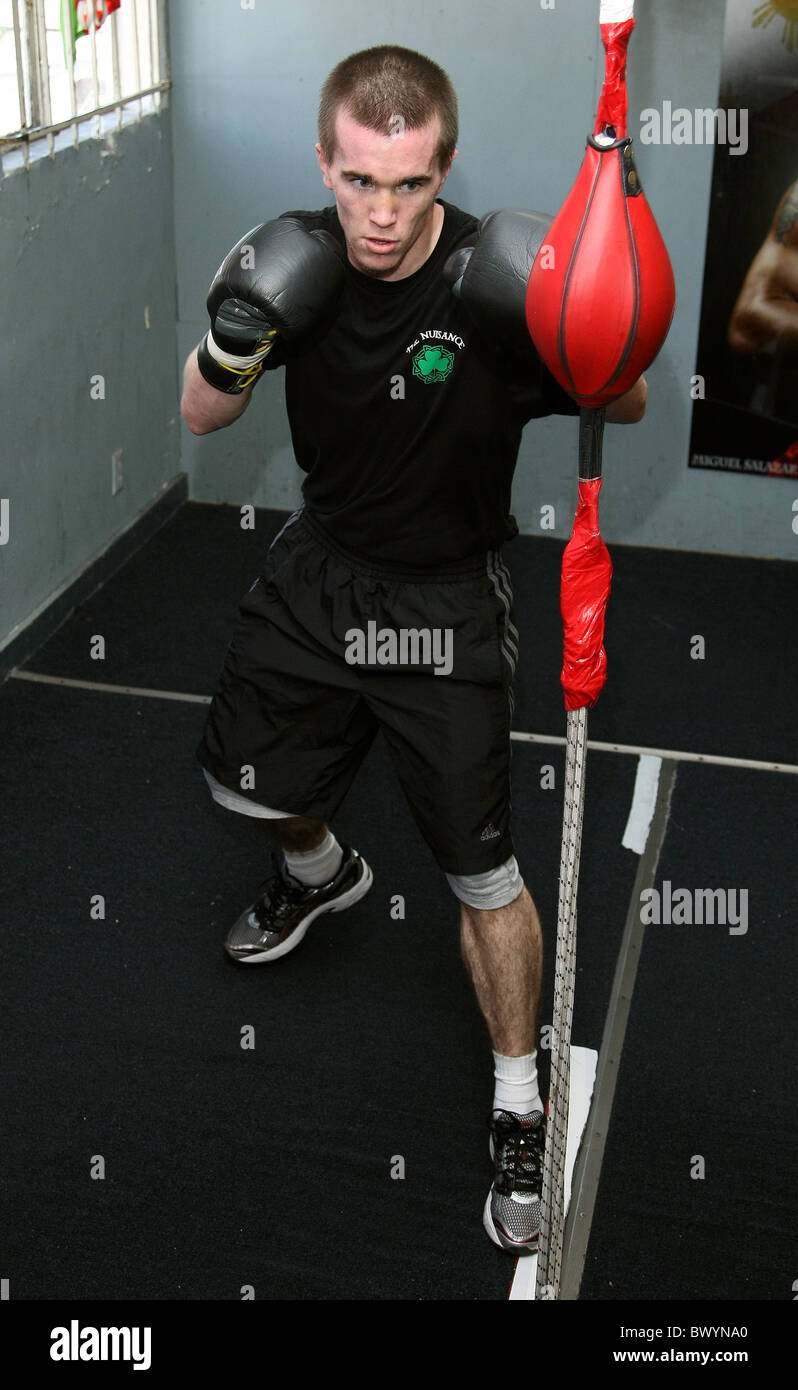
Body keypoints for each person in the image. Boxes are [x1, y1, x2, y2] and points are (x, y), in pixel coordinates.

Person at [180, 45, 646, 1255]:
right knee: (249, 783)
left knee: (483, 877)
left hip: (444, 604)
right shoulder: (294, 259)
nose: (380, 215)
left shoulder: (495, 285)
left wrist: (592, 308)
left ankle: (515, 1097)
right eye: (357, 182)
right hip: (318, 574)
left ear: (444, 166)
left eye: (407, 185)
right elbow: (198, 411)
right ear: (324, 161)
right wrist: (230, 343)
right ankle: (322, 869)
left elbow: (626, 399)